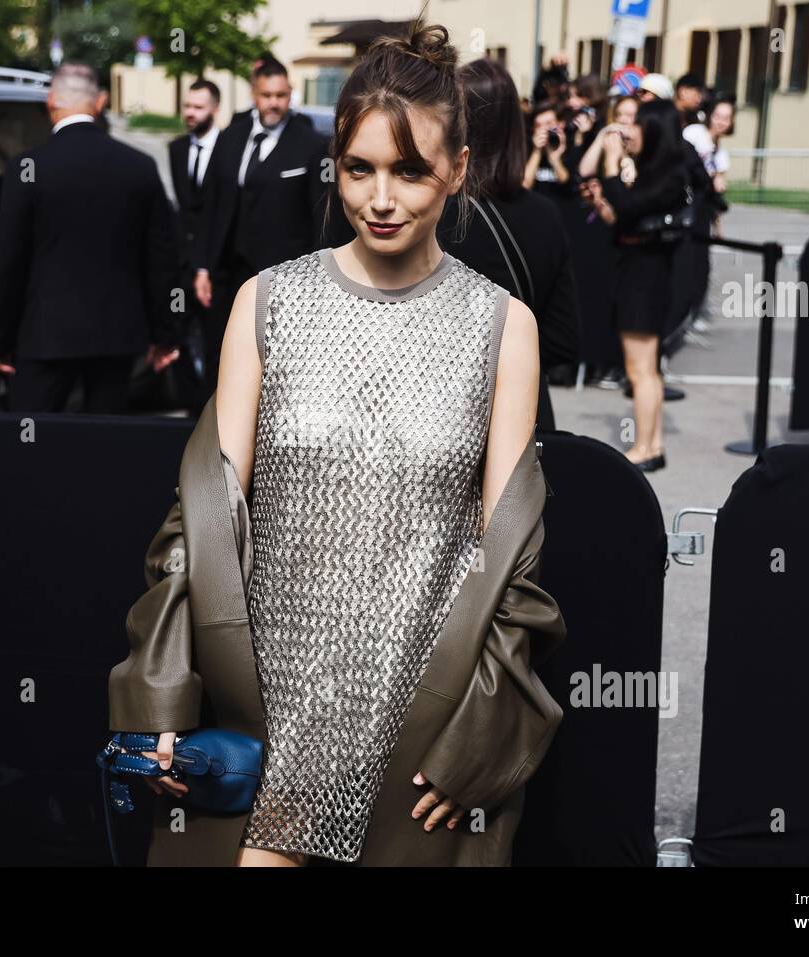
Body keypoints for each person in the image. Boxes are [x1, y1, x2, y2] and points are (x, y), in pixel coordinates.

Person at [107, 20, 566, 867]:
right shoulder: (266, 303)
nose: (380, 198)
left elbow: (513, 564)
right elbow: (200, 521)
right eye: (359, 169)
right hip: (264, 720)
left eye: (410, 171)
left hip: (424, 728)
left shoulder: (503, 327)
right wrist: (161, 694)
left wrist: (485, 731)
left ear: (458, 170)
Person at [0, 62, 177, 413]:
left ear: (51, 101)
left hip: (44, 334)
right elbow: (161, 257)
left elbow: (7, 260)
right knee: (105, 446)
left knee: (31, 445)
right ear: (100, 103)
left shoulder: (28, 168)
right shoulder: (138, 166)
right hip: (117, 335)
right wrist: (165, 334)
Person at [192, 53, 332, 403]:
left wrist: (320, 279)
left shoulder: (311, 145)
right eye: (267, 96)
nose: (274, 103)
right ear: (254, 95)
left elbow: (321, 215)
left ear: (290, 95)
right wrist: (203, 267)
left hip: (284, 276)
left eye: (281, 96)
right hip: (228, 272)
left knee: (274, 364)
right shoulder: (231, 138)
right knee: (220, 353)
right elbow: (209, 206)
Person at [446, 57, 579, 414]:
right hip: (526, 404)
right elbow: (564, 341)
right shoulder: (544, 215)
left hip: (441, 413)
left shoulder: (432, 212)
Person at [599, 99, 690, 471]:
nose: (628, 131)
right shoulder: (660, 171)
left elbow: (628, 207)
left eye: (637, 124)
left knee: (641, 369)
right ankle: (651, 443)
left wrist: (609, 166)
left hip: (645, 277)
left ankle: (646, 447)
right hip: (642, 272)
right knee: (645, 368)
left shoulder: (669, 174)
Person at [167, 79, 223, 414]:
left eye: (198, 107)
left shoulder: (229, 149)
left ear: (215, 109)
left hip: (216, 264)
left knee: (215, 340)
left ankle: (214, 411)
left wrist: (207, 265)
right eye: (187, 106)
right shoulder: (176, 149)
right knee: (178, 335)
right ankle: (190, 408)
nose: (190, 113)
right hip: (182, 265)